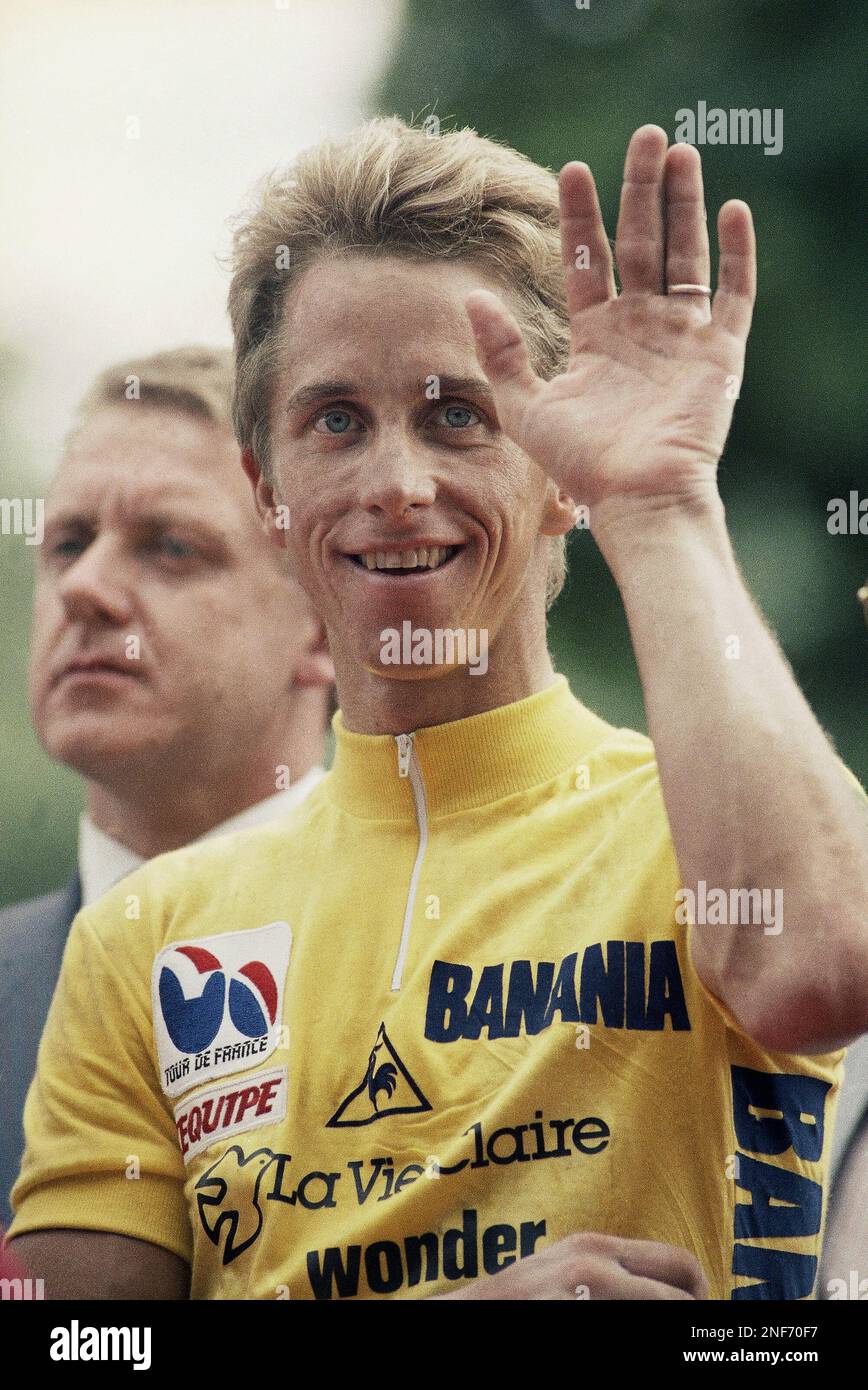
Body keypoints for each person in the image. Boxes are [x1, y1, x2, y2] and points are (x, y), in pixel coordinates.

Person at [7, 121, 868, 1301]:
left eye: (458, 413)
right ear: (267, 490)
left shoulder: (703, 829)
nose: (396, 486)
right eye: (337, 421)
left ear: (556, 464)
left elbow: (819, 974)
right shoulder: (141, 938)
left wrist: (659, 495)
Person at [0, 346, 334, 1225]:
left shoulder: (479, 959)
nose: (85, 588)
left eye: (170, 547)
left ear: (327, 628)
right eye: (67, 542)